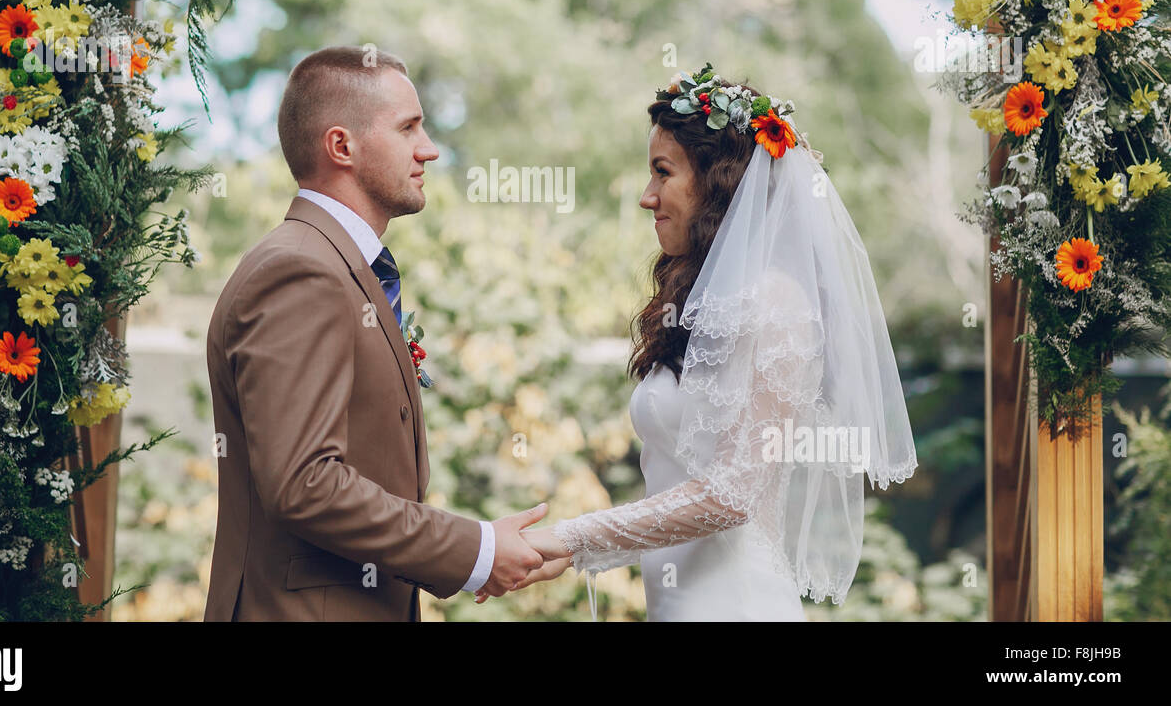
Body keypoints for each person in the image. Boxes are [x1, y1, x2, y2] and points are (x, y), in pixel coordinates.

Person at [498, 65, 919, 620]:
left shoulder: (776, 303)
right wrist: (583, 551)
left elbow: (732, 495)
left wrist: (571, 536)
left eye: (662, 172)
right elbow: (680, 493)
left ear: (719, 182)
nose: (647, 197)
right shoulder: (699, 305)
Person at [204, 45, 547, 621]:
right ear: (342, 146)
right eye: (409, 127)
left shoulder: (335, 264)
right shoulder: (302, 271)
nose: (429, 149)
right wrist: (476, 551)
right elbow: (303, 483)